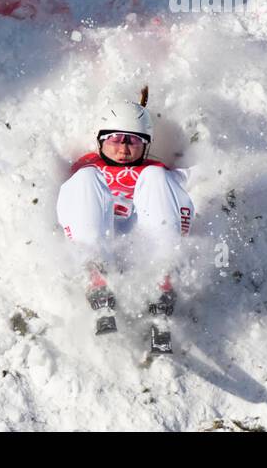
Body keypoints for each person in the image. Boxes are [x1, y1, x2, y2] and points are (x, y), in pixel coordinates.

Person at [55, 98, 193, 328]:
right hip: (99, 235)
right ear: (100, 141)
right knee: (86, 177)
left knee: (157, 178)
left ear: (146, 145)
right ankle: (96, 278)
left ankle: (162, 280)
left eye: (134, 142)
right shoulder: (85, 167)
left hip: (143, 242)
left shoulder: (156, 171)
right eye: (115, 139)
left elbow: (210, 175)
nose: (124, 149)